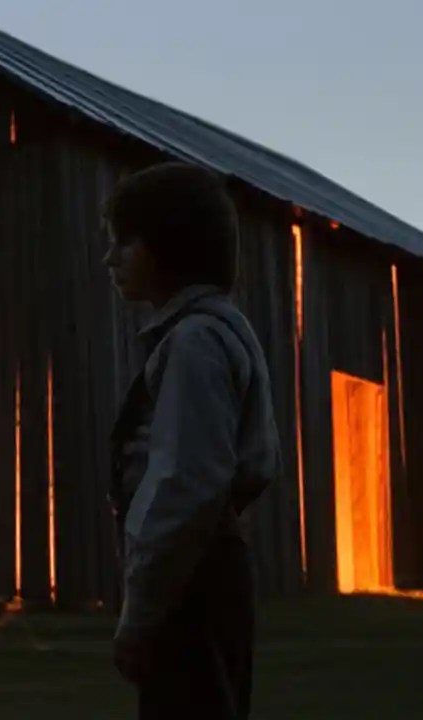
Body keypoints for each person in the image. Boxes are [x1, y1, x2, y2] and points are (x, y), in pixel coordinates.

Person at [102, 162, 281, 719]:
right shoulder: (223, 330)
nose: (111, 259)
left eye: (123, 243)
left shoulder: (196, 341)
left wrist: (141, 616)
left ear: (166, 246)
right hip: (208, 568)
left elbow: (185, 483)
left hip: (193, 581)